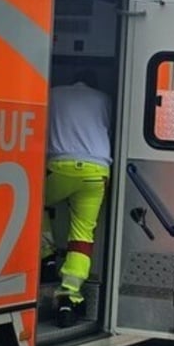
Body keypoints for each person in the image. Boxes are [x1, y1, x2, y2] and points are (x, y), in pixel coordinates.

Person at [40, 69, 112, 327]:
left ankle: (47, 257)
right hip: (97, 172)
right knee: (83, 234)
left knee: (35, 204)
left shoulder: (53, 94)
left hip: (61, 166)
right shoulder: (104, 99)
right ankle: (69, 297)